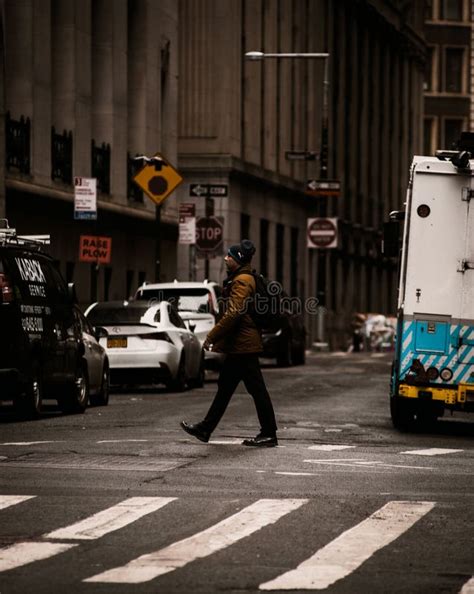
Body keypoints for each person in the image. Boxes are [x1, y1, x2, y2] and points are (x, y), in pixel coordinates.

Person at [180, 239, 278, 447]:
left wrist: (211, 336)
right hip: (240, 345)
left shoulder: (242, 280)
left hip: (244, 346)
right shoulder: (242, 277)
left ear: (238, 259)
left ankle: (269, 433)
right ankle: (206, 428)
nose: (225, 259)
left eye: (229, 256)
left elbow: (234, 313)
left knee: (256, 389)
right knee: (227, 388)